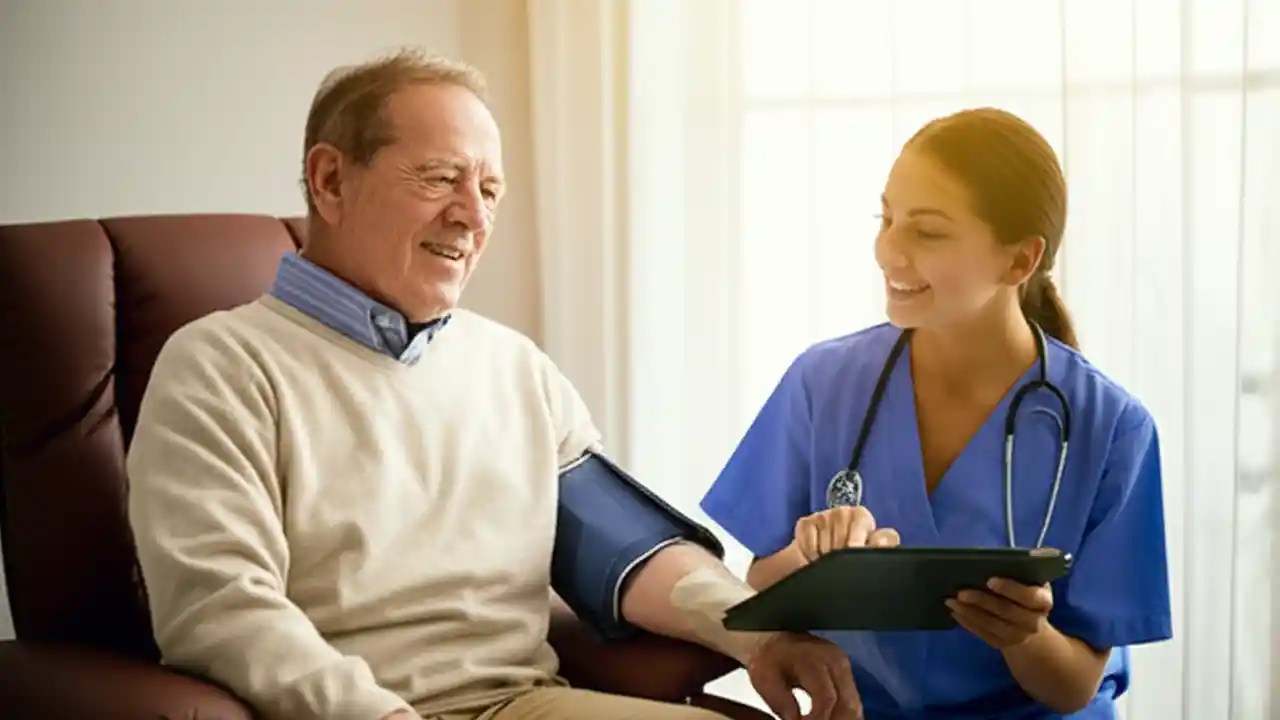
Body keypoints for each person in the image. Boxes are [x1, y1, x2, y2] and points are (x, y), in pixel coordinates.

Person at [126, 50, 891, 720]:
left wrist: (760, 631)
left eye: (489, 189)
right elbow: (221, 610)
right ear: (330, 180)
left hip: (522, 702)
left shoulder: (513, 367)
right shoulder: (220, 367)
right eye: (439, 178)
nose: (471, 215)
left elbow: (625, 550)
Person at [700, 107, 1173, 719]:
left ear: (1019, 261)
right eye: (886, 218)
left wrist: (1025, 634)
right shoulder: (824, 382)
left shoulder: (1110, 429)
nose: (887, 252)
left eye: (927, 232)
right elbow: (761, 584)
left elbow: (1074, 685)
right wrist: (810, 556)